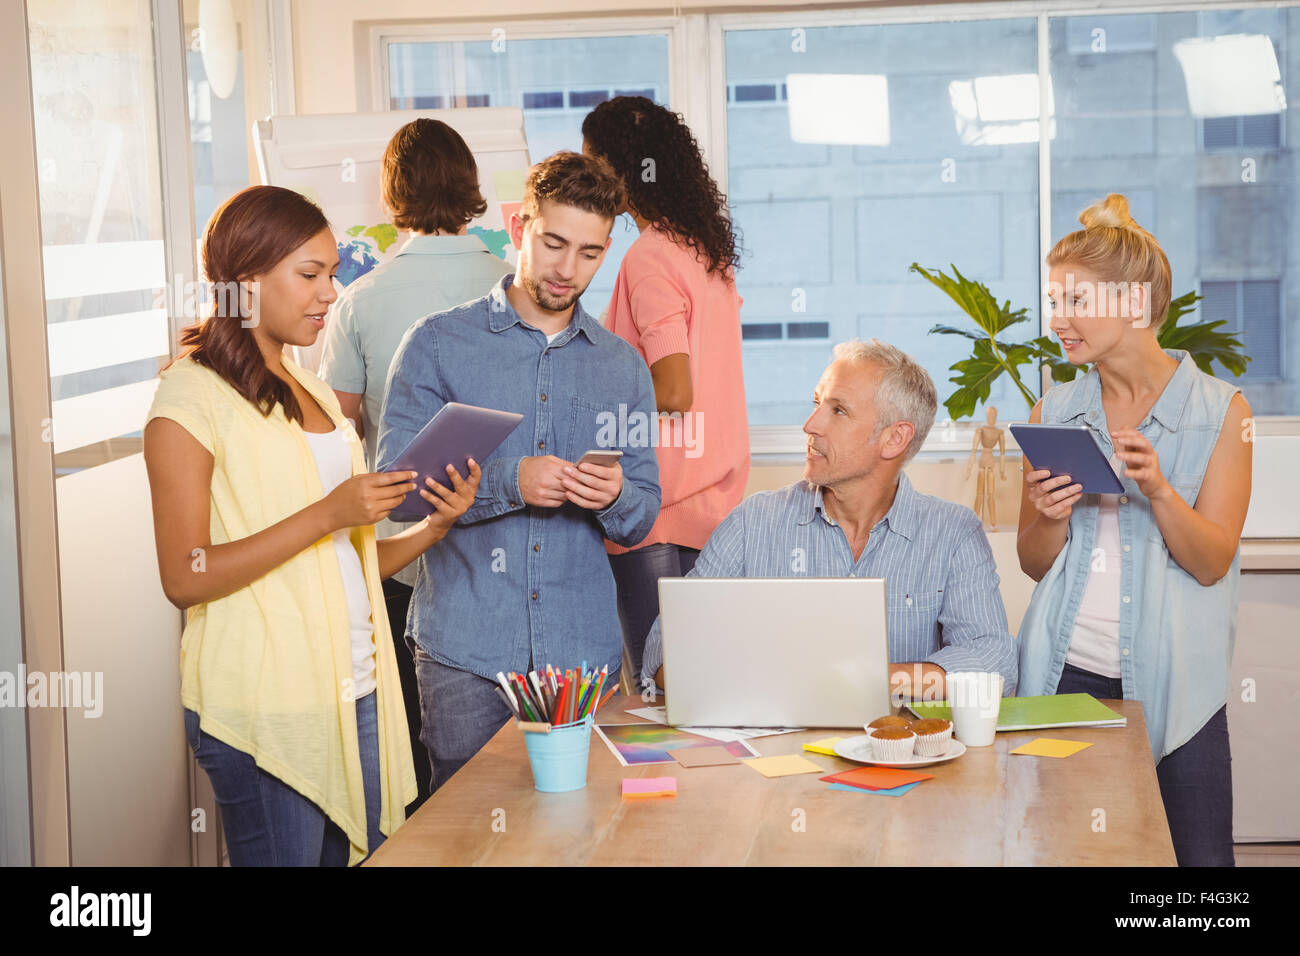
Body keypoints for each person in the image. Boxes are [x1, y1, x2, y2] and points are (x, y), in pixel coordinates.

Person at [143, 185, 479, 866]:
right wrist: (330, 512)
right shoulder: (191, 394)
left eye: (332, 273)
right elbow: (185, 576)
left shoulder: (314, 388)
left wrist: (432, 531)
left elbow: (341, 566)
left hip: (357, 688)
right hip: (269, 705)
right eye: (310, 274)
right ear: (247, 280)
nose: (330, 293)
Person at [377, 151, 661, 790]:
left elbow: (643, 510)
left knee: (576, 836)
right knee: (464, 840)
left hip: (579, 665)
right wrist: (510, 481)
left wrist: (613, 496)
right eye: (553, 243)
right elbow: (398, 495)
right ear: (517, 228)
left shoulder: (622, 369)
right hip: (464, 656)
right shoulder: (438, 344)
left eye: (590, 253)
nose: (568, 270)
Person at [1017, 193, 1252, 867]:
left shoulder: (1221, 412)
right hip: (1065, 677)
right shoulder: (1054, 408)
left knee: (1198, 874)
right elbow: (1035, 563)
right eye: (1054, 301)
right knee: (1068, 854)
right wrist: (1050, 516)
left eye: (1073, 302)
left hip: (1179, 691)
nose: (1056, 320)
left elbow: (1211, 562)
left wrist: (1158, 491)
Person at [641, 339, 1018, 699]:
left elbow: (995, 662)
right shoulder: (752, 522)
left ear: (894, 439)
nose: (811, 425)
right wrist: (767, 682)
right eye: (817, 403)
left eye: (838, 411)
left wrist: (872, 678)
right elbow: (664, 648)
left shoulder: (953, 534)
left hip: (896, 755)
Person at [317, 117, 510, 807]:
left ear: (391, 192)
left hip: (399, 552)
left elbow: (337, 428)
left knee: (412, 742)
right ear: (470, 184)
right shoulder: (513, 283)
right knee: (512, 760)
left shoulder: (359, 300)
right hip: (505, 542)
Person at [581, 96, 750, 694]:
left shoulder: (649, 256)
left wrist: (590, 407)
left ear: (618, 169)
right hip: (715, 506)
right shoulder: (705, 253)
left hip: (657, 507)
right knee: (705, 689)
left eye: (592, 164)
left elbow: (674, 389)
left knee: (659, 696)